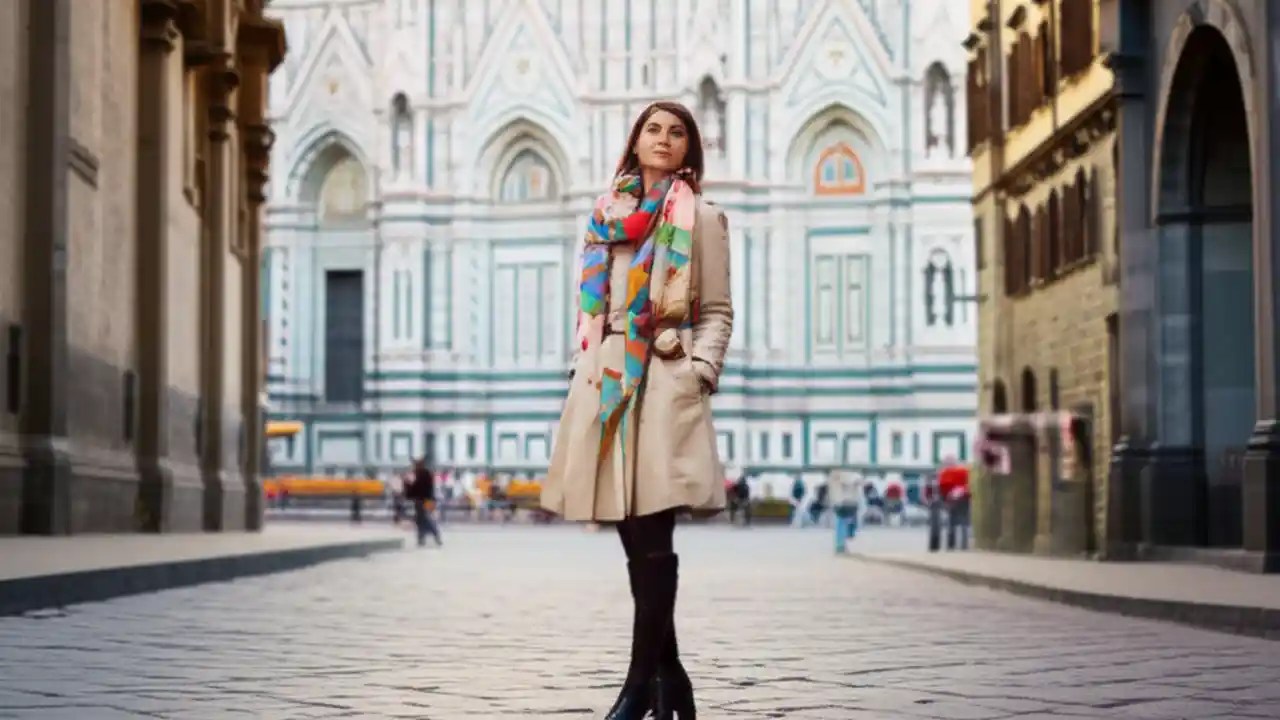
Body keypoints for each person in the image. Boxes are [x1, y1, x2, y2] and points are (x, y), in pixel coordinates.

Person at [540, 101, 732, 720]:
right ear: (635, 141)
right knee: (632, 538)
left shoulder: (701, 218)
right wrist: (583, 363)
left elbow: (717, 311)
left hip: (665, 377)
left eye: (677, 133)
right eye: (653, 129)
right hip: (606, 379)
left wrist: (700, 372)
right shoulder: (603, 217)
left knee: (654, 530)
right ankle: (669, 677)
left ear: (688, 149)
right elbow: (588, 305)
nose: (664, 139)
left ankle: (633, 688)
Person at [407, 457, 442, 547]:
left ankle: (433, 536)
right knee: (421, 520)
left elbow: (414, 488)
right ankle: (423, 538)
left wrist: (410, 489)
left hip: (423, 500)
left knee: (425, 519)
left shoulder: (421, 474)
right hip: (423, 500)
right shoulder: (423, 474)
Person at [938, 456, 971, 550]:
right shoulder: (964, 471)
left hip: (952, 500)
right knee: (964, 522)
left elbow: (942, 488)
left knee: (952, 522)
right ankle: (964, 545)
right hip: (964, 499)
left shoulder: (945, 473)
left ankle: (951, 545)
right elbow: (969, 485)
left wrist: (944, 500)